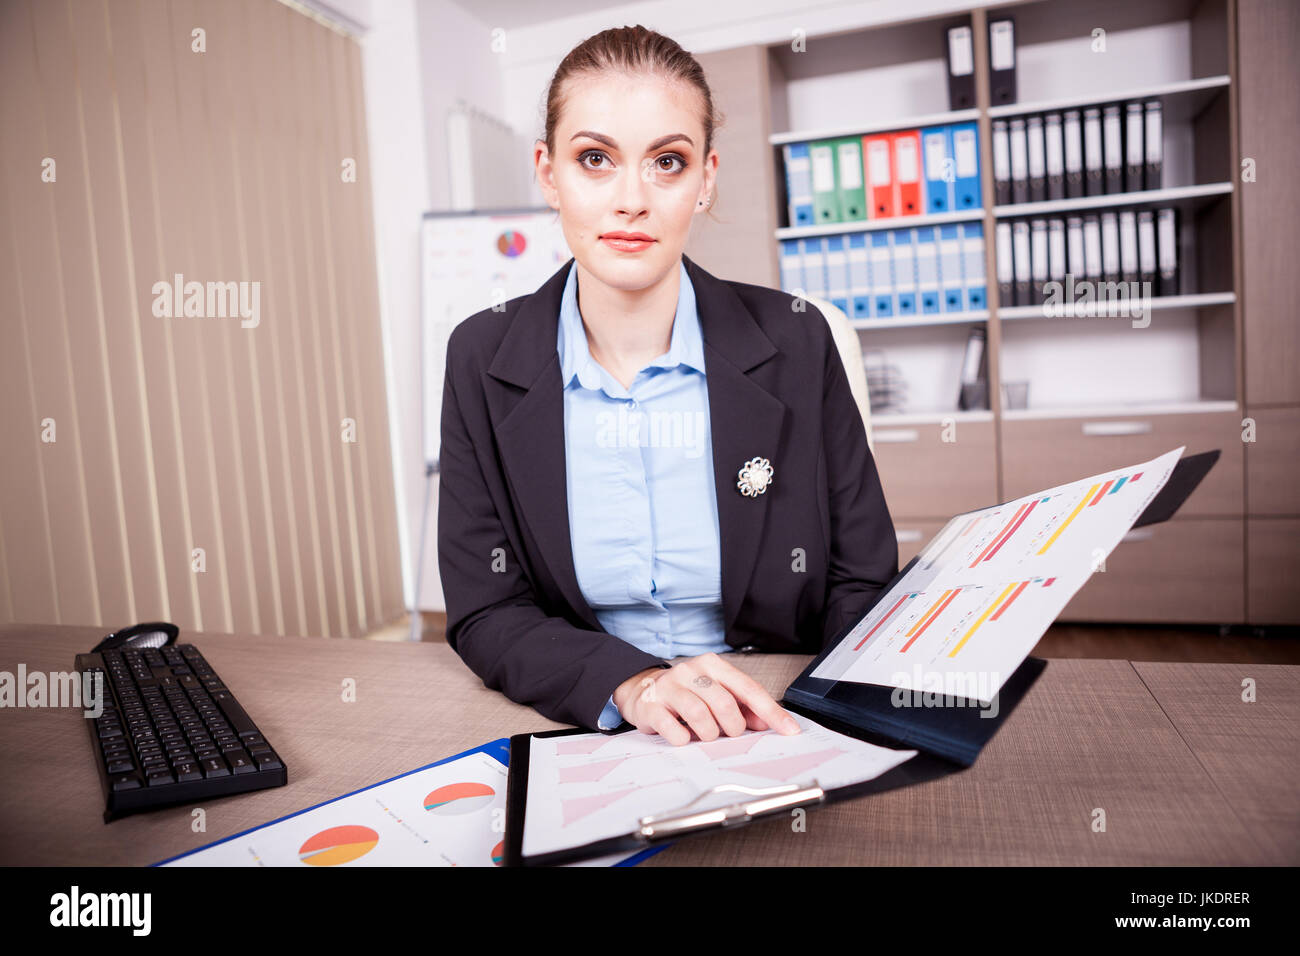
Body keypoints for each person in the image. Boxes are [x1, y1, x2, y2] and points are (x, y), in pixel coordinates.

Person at [437, 25, 897, 746]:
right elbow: (485, 610)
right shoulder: (481, 357)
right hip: (591, 717)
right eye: (594, 159)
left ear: (706, 178)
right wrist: (634, 682)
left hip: (778, 712)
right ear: (549, 173)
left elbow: (861, 580)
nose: (631, 200)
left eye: (667, 162)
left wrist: (824, 716)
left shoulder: (801, 339)